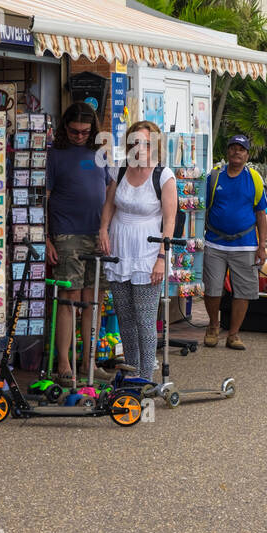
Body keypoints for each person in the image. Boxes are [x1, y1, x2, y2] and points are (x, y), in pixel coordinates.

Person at [99, 121, 177, 382]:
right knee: (125, 317)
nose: (139, 147)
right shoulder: (119, 170)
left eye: (144, 142)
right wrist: (103, 229)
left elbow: (170, 221)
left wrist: (161, 259)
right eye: (134, 142)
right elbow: (109, 204)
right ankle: (131, 372)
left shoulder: (163, 176)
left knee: (144, 319)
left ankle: (146, 377)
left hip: (148, 251)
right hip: (120, 248)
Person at [45, 103, 114, 385]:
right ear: (65, 127)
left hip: (96, 234)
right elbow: (45, 196)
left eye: (85, 132)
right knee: (68, 299)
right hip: (66, 234)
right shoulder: (55, 155)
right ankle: (64, 361)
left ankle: (89, 362)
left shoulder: (99, 153)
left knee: (92, 300)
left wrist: (106, 228)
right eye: (74, 131)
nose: (79, 136)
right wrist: (47, 237)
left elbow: (110, 187)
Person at [202, 134, 267, 350]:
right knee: (212, 288)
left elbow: (261, 215)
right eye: (233, 148)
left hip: (246, 244)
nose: (236, 152)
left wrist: (262, 246)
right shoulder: (214, 177)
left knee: (244, 290)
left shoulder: (255, 179)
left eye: (241, 149)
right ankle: (213, 326)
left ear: (247, 154)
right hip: (214, 243)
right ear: (227, 151)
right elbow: (202, 208)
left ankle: (234, 334)